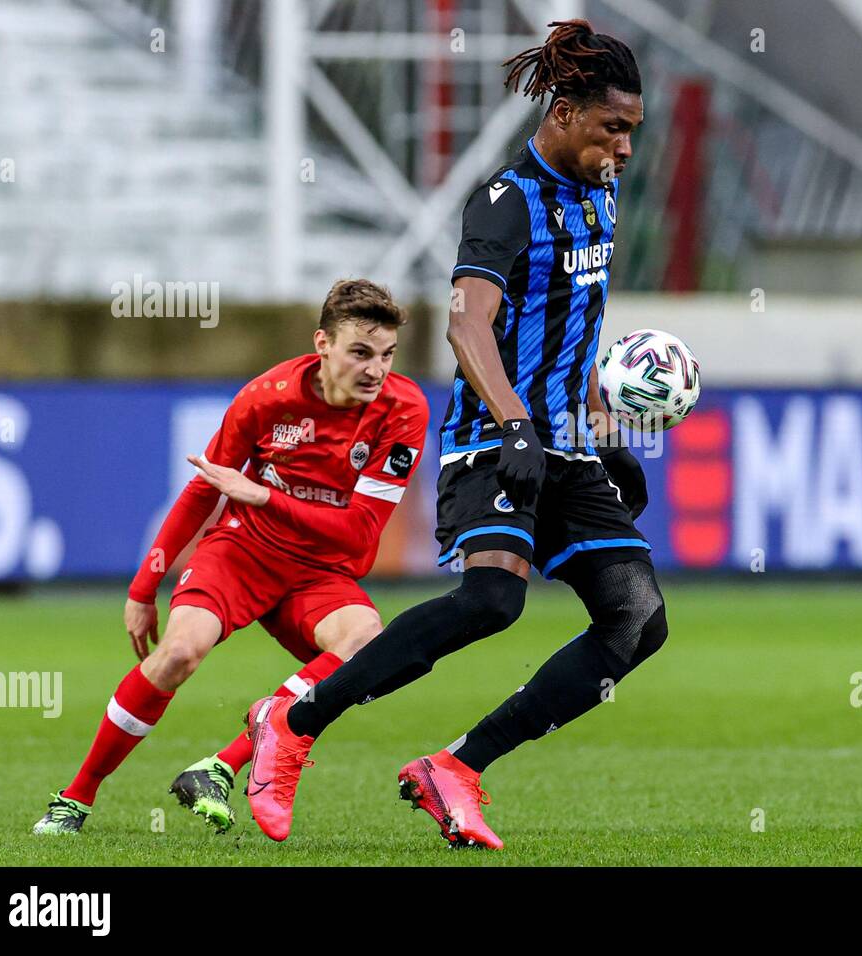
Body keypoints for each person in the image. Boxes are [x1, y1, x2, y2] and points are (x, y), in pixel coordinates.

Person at [244, 19, 663, 849]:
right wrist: (514, 426)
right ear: (566, 112)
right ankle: (294, 723)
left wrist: (601, 428)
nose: (623, 148)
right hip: (492, 438)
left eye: (632, 132)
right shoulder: (505, 202)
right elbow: (468, 323)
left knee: (637, 619)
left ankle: (458, 766)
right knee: (492, 600)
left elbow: (571, 324)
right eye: (612, 128)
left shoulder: (602, 194)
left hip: (564, 443)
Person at [31, 279, 429, 835]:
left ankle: (222, 764)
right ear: (322, 344)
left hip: (319, 569)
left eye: (387, 355)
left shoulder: (403, 409)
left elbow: (360, 536)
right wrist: (143, 590)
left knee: (367, 641)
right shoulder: (267, 396)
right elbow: (203, 490)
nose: (375, 369)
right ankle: (75, 798)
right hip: (244, 551)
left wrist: (267, 496)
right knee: (177, 655)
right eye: (360, 353)